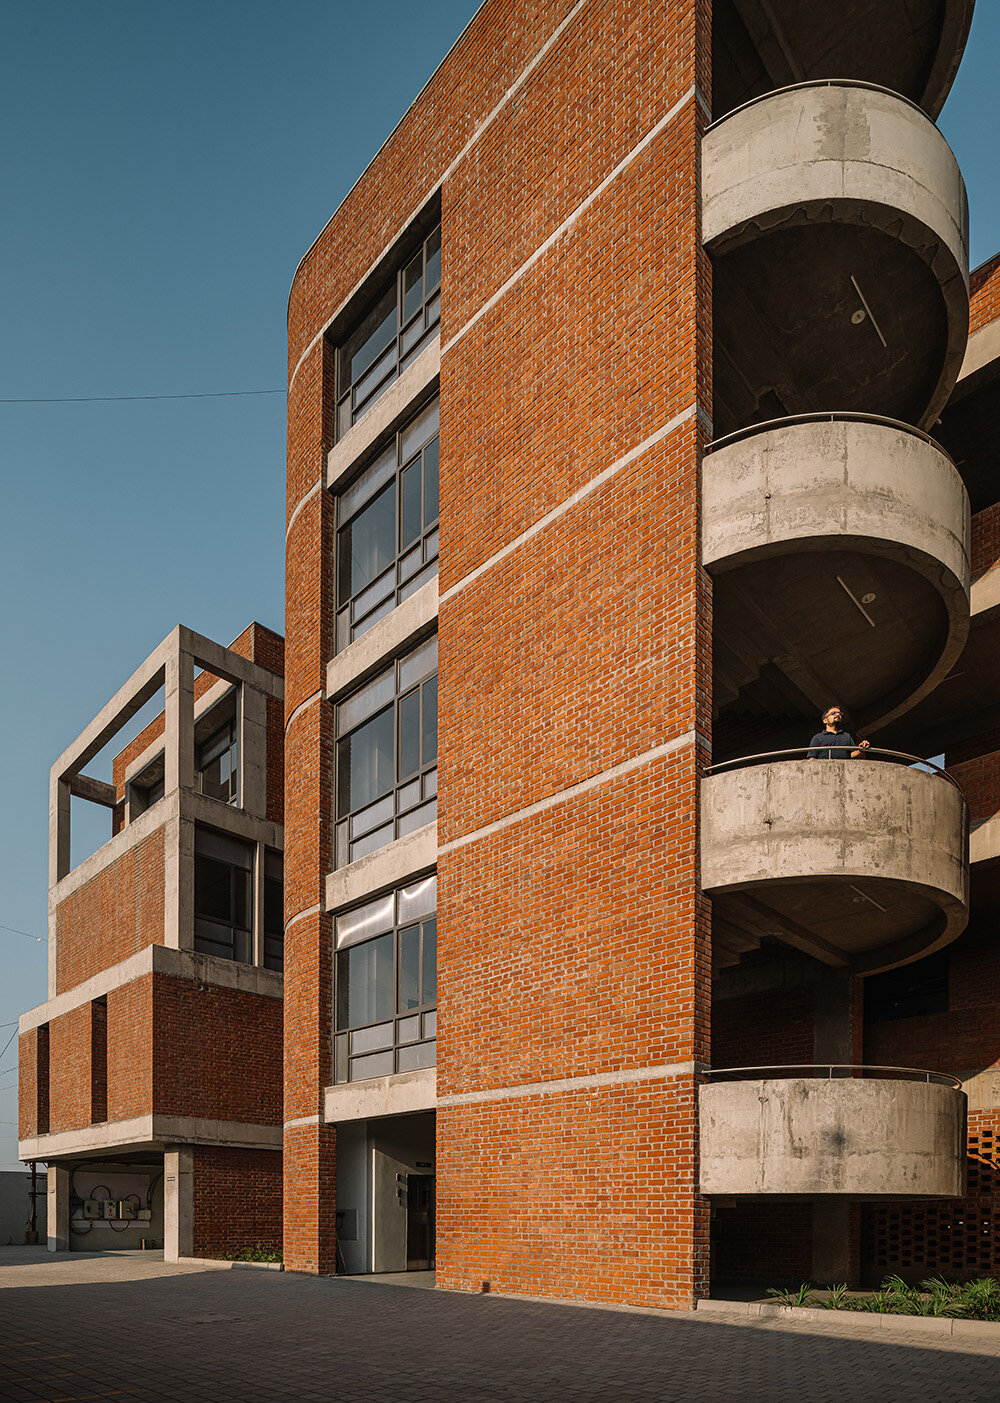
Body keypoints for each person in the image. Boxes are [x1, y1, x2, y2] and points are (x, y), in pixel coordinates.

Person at [806, 705, 871, 759]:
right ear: (825, 720)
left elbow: (851, 754)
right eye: (833, 713)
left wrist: (861, 749)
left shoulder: (846, 736)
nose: (837, 715)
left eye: (839, 713)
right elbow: (812, 758)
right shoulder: (818, 737)